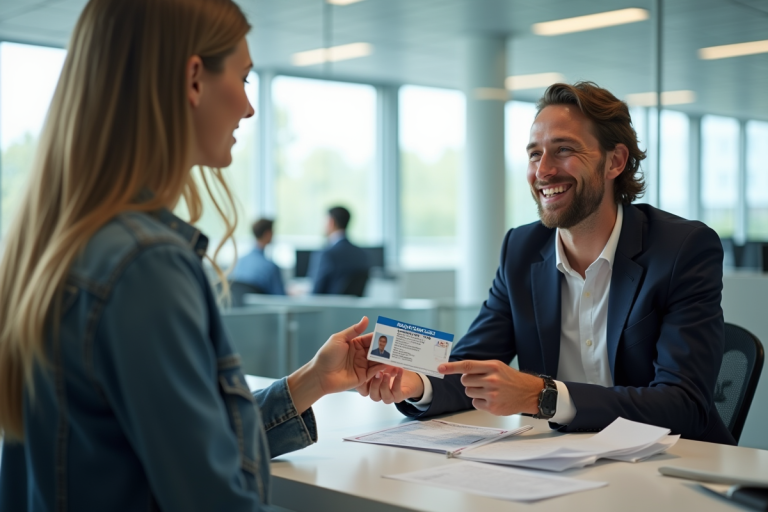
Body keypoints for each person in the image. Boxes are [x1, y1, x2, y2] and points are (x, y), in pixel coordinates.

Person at [0, 1, 387, 510]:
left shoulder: (65, 244)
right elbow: (212, 497)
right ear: (194, 79)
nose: (249, 107)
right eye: (245, 79)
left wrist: (309, 382)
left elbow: (161, 445)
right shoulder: (145, 265)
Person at [359, 81, 734, 445]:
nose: (543, 171)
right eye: (534, 153)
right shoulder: (521, 249)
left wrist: (545, 396)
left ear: (615, 161)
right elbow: (470, 366)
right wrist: (416, 384)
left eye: (564, 149)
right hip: (562, 461)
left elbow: (683, 403)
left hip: (672, 467)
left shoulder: (682, 248)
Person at [310, 206, 370, 295]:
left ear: (331, 222)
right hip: (352, 308)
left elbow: (315, 293)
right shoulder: (362, 254)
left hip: (328, 308)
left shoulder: (327, 255)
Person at [230, 218, 286, 295]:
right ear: (268, 234)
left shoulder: (238, 261)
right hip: (263, 306)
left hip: (238, 306)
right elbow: (280, 297)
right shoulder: (271, 267)